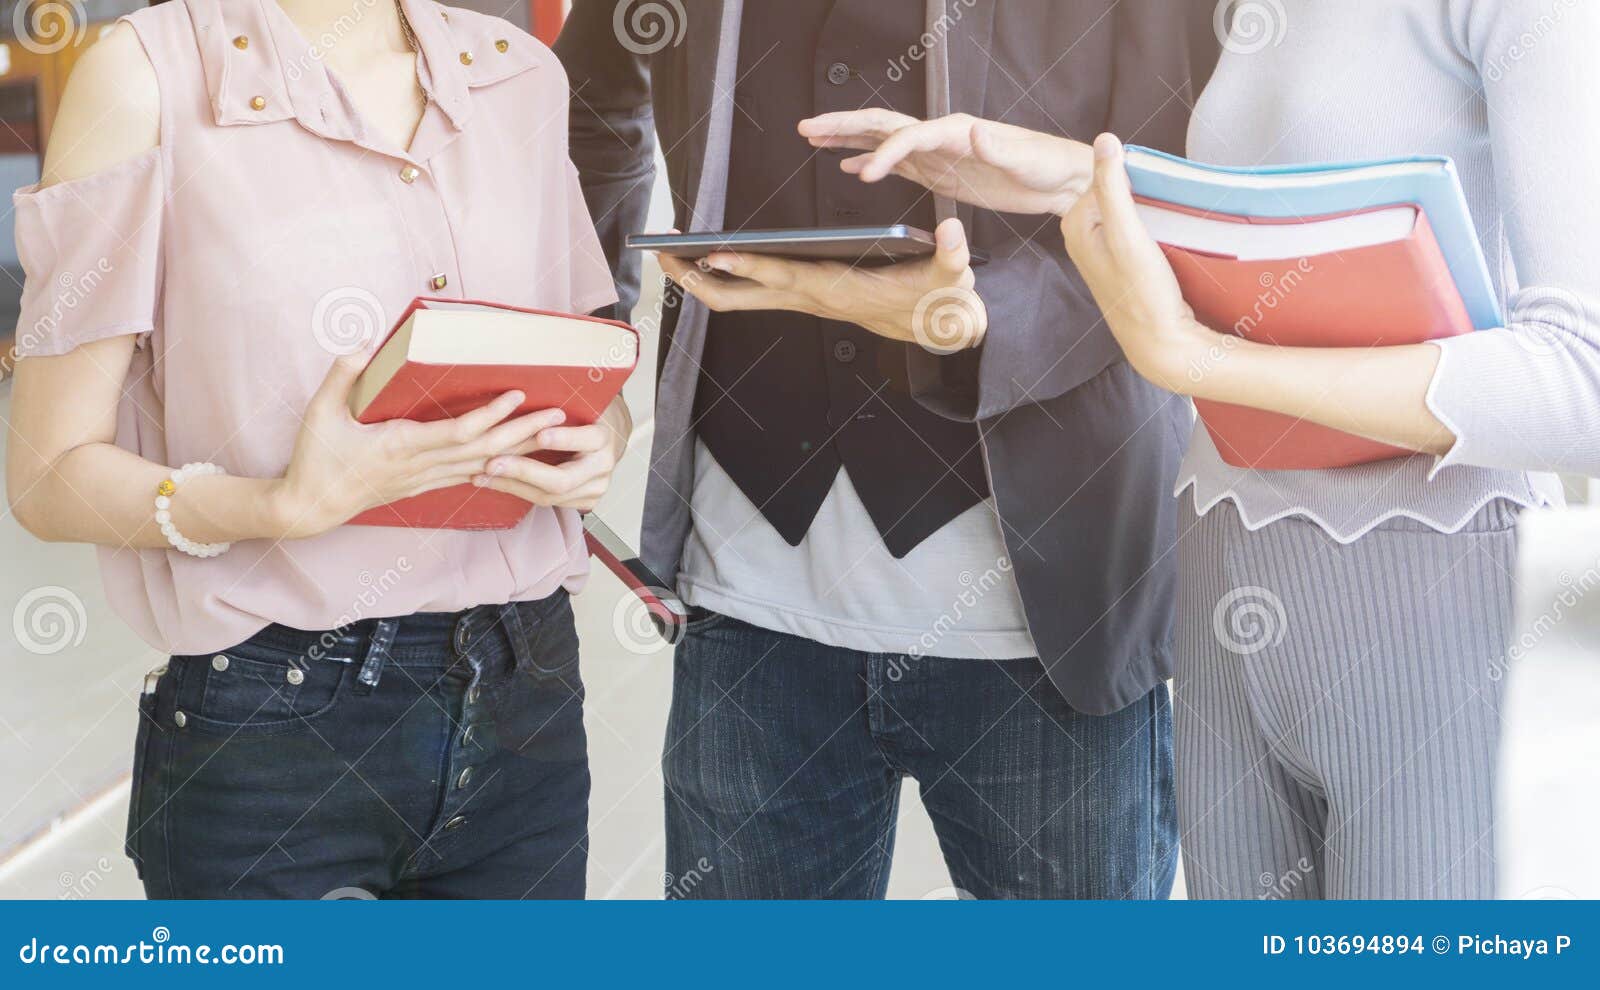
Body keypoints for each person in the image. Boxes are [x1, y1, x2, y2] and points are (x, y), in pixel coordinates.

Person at [809, 0, 1600, 898]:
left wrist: (1203, 360)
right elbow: (1280, 210)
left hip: (1437, 603)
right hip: (1226, 575)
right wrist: (1067, 175)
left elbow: (1585, 378)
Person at [557, 0, 1215, 898]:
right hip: (748, 580)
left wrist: (987, 322)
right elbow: (590, 114)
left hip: (1054, 598)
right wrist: (584, 354)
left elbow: (1189, 190)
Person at [4, 0, 628, 899]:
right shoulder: (143, 76)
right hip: (272, 727)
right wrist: (280, 507)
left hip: (525, 700)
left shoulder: (518, 73)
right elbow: (49, 475)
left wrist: (597, 440)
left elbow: (585, 359)